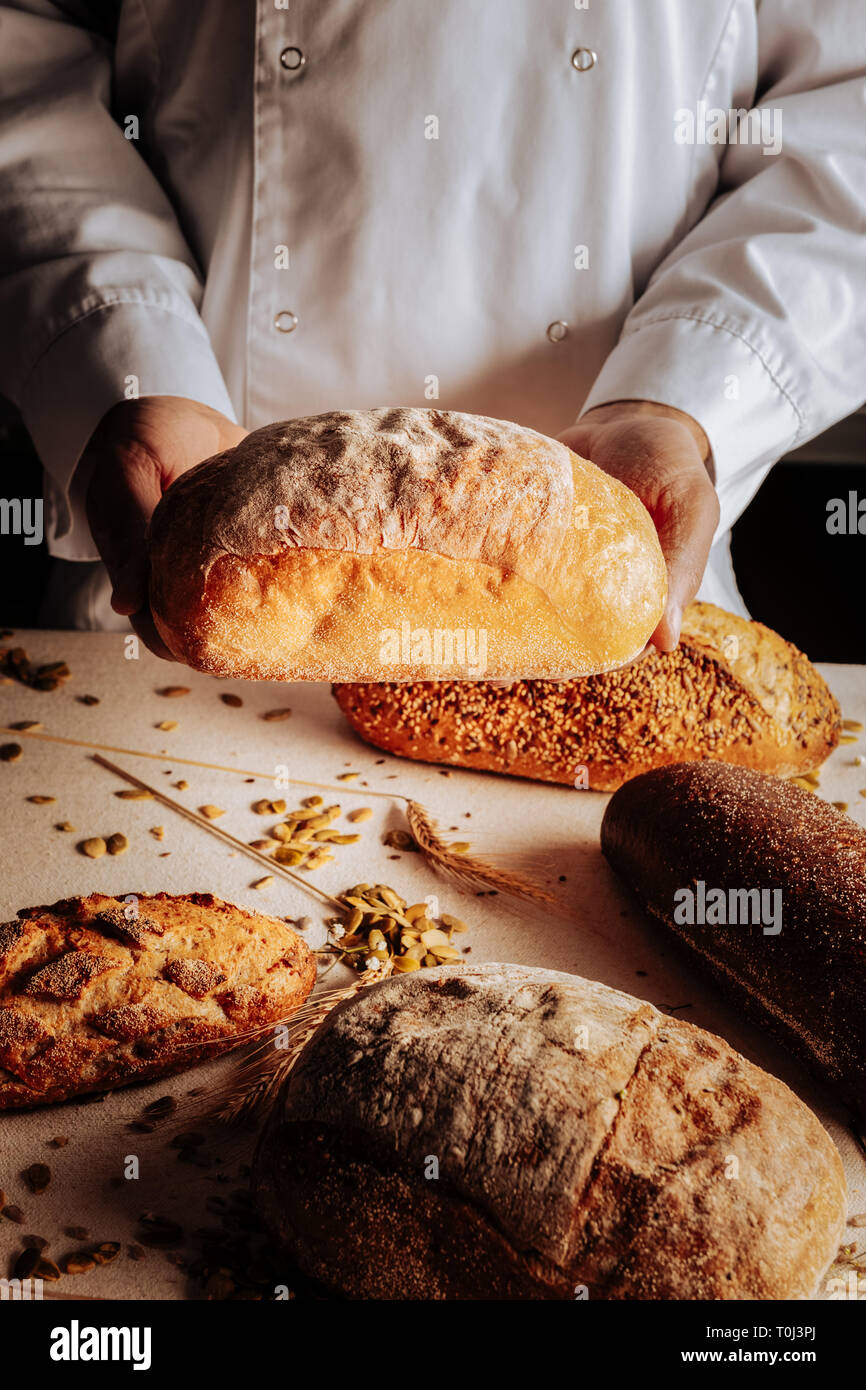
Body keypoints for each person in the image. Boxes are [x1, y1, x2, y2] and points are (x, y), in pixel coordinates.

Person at [1, 1, 864, 660]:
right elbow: (23, 57)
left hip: (620, 594)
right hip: (181, 562)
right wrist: (129, 360)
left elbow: (846, 119)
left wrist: (682, 400)